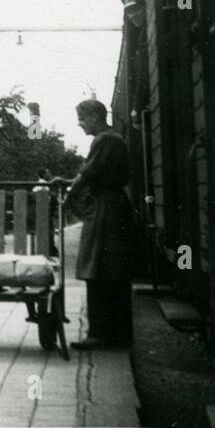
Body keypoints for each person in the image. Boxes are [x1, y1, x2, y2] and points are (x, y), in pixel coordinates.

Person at [62, 99, 134, 349]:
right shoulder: (114, 138)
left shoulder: (104, 140)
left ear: (95, 116)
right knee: (112, 269)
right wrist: (71, 179)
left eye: (82, 118)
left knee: (98, 267)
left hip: (105, 210)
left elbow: (88, 175)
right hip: (113, 206)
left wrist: (68, 194)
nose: (80, 124)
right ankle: (118, 332)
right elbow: (92, 172)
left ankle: (100, 333)